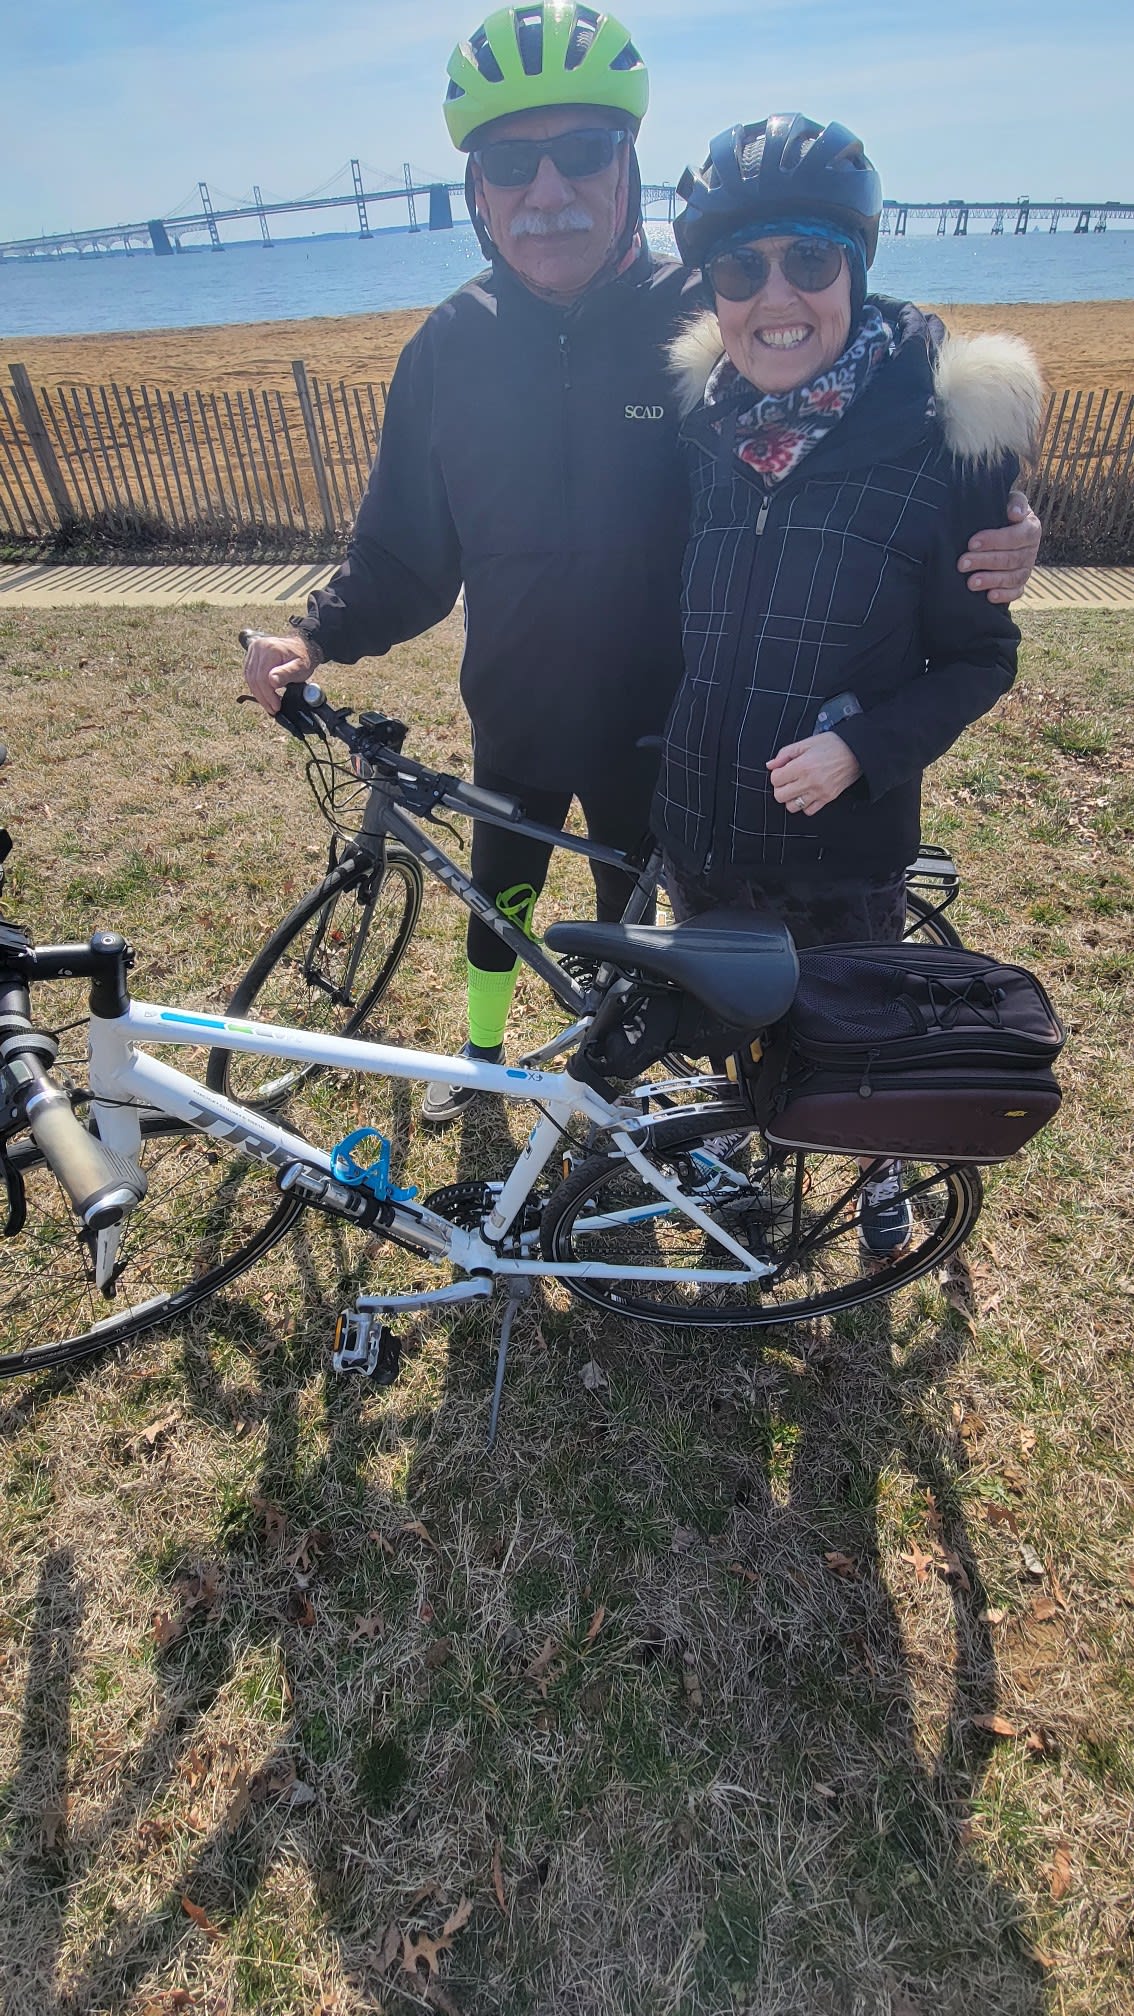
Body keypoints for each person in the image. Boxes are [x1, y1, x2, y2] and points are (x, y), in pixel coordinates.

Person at [242, 5, 1042, 1128]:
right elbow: (403, 553)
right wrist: (313, 632)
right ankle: (481, 1067)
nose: (548, 188)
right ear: (475, 192)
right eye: (512, 162)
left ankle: (646, 1084)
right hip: (516, 702)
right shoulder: (447, 348)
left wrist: (997, 484)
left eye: (581, 152)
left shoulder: (709, 314)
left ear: (629, 168)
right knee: (498, 895)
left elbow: (876, 375)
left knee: (647, 931)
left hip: (673, 728)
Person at [652, 113, 1043, 1254]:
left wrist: (864, 747)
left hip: (845, 843)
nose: (777, 293)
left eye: (809, 259)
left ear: (855, 266)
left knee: (850, 1023)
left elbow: (982, 656)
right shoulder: (699, 429)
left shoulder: (946, 444)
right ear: (715, 293)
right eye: (741, 265)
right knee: (732, 1011)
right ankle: (737, 1134)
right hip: (702, 817)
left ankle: (876, 1168)